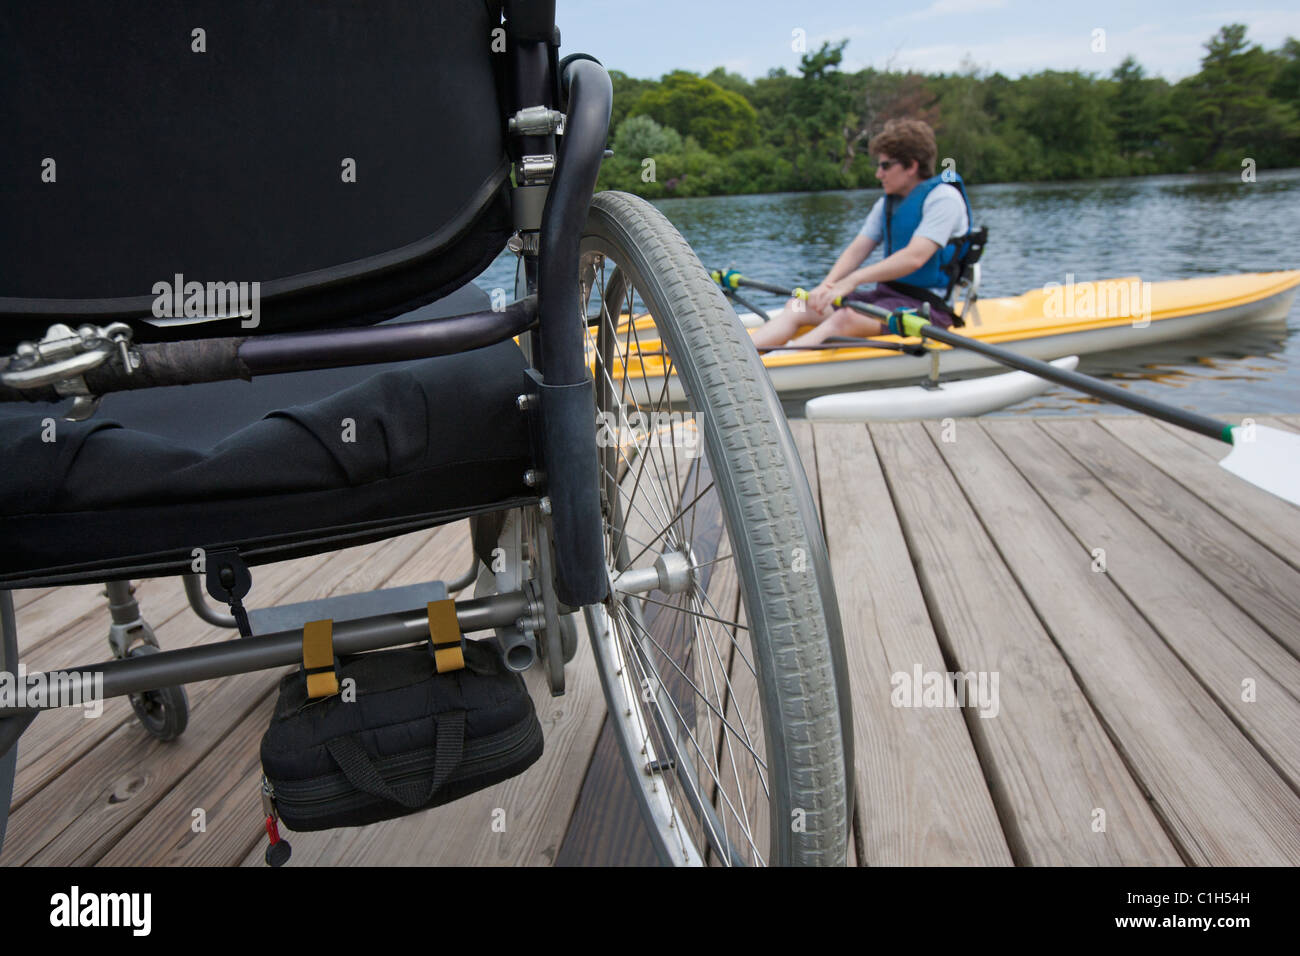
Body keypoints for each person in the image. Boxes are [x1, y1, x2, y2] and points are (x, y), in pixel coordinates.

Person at [749, 118, 973, 349]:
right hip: (886, 296)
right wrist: (826, 287)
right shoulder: (887, 204)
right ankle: (744, 357)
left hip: (928, 309)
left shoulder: (944, 198)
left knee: (845, 318)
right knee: (798, 306)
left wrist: (853, 280)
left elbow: (915, 257)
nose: (878, 174)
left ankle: (774, 370)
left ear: (911, 166)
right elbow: (858, 249)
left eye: (885, 165)